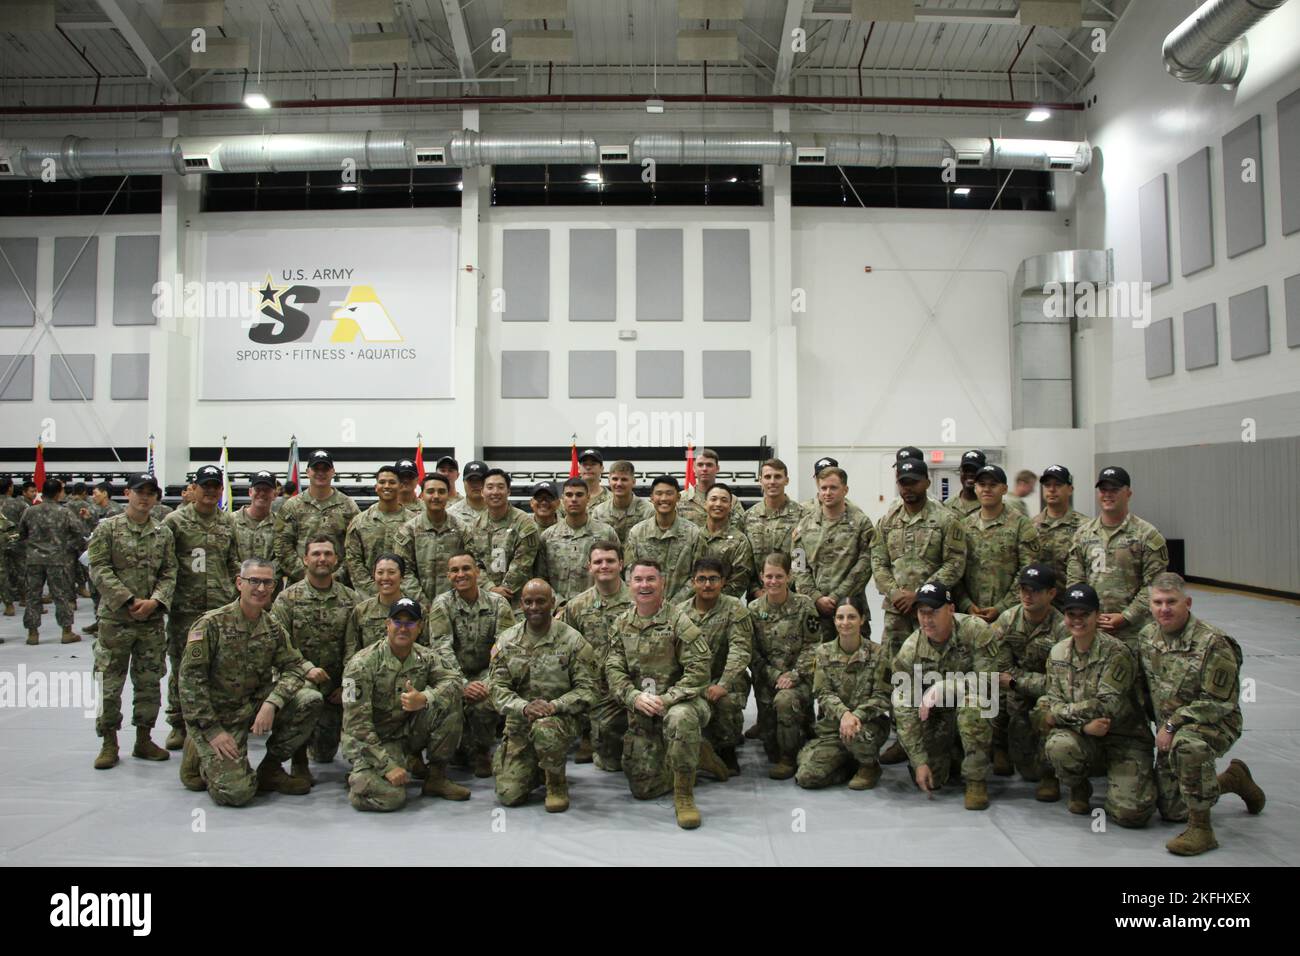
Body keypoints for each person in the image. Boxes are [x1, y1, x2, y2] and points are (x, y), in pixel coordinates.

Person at [177, 557, 325, 806]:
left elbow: (295, 666)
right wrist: (212, 731)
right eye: (254, 581)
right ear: (239, 583)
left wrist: (272, 703)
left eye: (267, 582)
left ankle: (270, 769)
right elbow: (190, 684)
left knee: (310, 698)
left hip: (254, 706)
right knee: (237, 794)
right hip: (219, 716)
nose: (260, 588)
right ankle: (197, 752)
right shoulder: (211, 624)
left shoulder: (272, 627)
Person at [1138, 572, 1265, 855]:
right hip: (1170, 731)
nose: (1164, 608)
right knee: (1172, 809)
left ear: (1188, 603)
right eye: (1157, 602)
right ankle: (1234, 780)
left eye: (1171, 601)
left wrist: (1172, 725)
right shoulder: (1147, 637)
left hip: (1215, 723)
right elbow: (1147, 690)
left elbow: (1220, 701)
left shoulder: (1214, 643)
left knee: (1188, 747)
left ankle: (1202, 830)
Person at [1037, 582, 1156, 828]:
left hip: (1125, 738)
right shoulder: (1058, 653)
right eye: (1071, 614)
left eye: (1085, 614)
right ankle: (1079, 786)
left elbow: (1107, 704)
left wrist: (1060, 714)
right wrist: (1083, 728)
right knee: (1059, 745)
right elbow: (1052, 700)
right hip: (1086, 735)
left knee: (1131, 815)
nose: (1077, 620)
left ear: (1097, 615)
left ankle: (1137, 781)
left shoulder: (1116, 653)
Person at [605, 559, 713, 829]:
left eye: (651, 579)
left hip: (681, 704)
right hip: (642, 706)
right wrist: (633, 697)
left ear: (662, 583)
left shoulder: (678, 620)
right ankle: (696, 753)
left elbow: (699, 671)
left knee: (680, 719)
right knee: (643, 789)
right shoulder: (620, 624)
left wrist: (667, 700)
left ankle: (684, 794)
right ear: (629, 584)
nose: (644, 585)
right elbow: (613, 670)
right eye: (638, 579)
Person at [341, 597, 469, 810]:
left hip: (406, 732)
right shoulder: (359, 665)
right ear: (387, 624)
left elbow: (454, 682)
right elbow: (356, 725)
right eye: (397, 622)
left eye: (410, 623)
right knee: (392, 798)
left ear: (419, 627)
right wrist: (387, 766)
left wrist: (425, 698)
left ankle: (436, 776)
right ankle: (362, 776)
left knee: (447, 702)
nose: (403, 628)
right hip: (373, 740)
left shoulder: (425, 657)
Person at [87, 472, 178, 770]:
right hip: (116, 620)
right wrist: (127, 599)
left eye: (151, 493)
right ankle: (109, 741)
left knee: (149, 681)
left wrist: (156, 601)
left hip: (150, 621)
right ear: (127, 494)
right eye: (140, 491)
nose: (145, 497)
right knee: (109, 683)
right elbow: (98, 568)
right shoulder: (108, 529)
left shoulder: (162, 533)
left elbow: (169, 572)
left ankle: (143, 738)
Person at [891, 580, 1001, 810]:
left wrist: (945, 688)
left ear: (951, 610)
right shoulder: (910, 650)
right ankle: (953, 752)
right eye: (922, 612)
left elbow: (988, 681)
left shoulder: (975, 630)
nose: (926, 619)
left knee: (976, 706)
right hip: (937, 718)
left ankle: (976, 780)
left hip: (971, 708)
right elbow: (903, 708)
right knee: (935, 778)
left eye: (933, 612)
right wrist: (919, 761)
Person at [488, 579, 595, 811]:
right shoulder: (507, 641)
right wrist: (524, 707)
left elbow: (588, 689)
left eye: (540, 601)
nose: (534, 607)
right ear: (521, 605)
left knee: (545, 729)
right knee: (509, 795)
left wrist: (555, 706)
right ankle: (537, 767)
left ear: (552, 603)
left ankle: (556, 783)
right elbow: (497, 690)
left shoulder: (573, 640)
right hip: (520, 723)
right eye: (528, 602)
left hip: (560, 721)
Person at [161, 465, 240, 750]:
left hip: (218, 609)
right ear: (194, 489)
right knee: (183, 665)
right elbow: (165, 565)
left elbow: (234, 562)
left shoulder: (228, 522)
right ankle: (178, 723)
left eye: (214, 486)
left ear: (221, 489)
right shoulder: (175, 521)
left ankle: (213, 721)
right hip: (185, 608)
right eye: (204, 485)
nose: (209, 491)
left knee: (218, 666)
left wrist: (236, 596)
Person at [269, 536, 360, 782]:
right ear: (305, 559)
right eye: (317, 554)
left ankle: (364, 761)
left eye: (328, 554)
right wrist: (305, 670)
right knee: (305, 698)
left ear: (337, 560)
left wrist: (346, 684)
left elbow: (355, 648)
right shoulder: (287, 599)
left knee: (323, 754)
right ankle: (297, 759)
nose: (322, 559)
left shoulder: (351, 599)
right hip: (299, 680)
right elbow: (280, 646)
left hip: (336, 685)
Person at [426, 551, 516, 777]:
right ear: (448, 576)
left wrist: (486, 682)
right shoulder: (442, 605)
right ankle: (451, 751)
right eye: (455, 570)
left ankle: (481, 751)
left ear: (477, 572)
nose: (461, 574)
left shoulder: (498, 604)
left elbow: (504, 649)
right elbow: (441, 649)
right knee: (444, 699)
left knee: (484, 702)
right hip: (453, 674)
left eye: (466, 568)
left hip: (488, 673)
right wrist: (463, 683)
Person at [795, 595, 892, 790]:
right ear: (834, 620)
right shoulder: (823, 652)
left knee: (856, 735)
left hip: (867, 726)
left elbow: (882, 696)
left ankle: (868, 766)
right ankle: (848, 764)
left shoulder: (879, 653)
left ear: (862, 619)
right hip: (834, 727)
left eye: (851, 617)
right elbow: (822, 693)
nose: (845, 623)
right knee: (806, 777)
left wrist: (855, 716)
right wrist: (844, 714)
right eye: (840, 618)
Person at [1066, 466, 1168, 645]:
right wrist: (1085, 613)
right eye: (1103, 489)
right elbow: (1075, 580)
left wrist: (1126, 616)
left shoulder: (1147, 535)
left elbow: (1154, 586)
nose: (1108, 494)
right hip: (1091, 628)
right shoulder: (1083, 534)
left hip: (1134, 632)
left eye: (1115, 489)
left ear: (1128, 493)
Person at [991, 563, 1069, 795]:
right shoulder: (1007, 619)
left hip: (1046, 695)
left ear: (1051, 594)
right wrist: (1012, 683)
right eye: (1024, 589)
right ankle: (998, 748)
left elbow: (1059, 683)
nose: (1027, 595)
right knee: (985, 690)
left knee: (1047, 708)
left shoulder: (1062, 628)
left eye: (1035, 590)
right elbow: (1000, 666)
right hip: (1013, 693)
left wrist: (1018, 682)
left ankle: (1050, 775)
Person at [677, 557, 752, 779]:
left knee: (725, 701)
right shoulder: (680, 613)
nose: (707, 585)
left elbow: (740, 650)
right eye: (701, 579)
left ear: (723, 582)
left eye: (713, 579)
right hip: (691, 680)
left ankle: (727, 751)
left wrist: (723, 684)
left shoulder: (734, 609)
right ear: (693, 582)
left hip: (724, 678)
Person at [748, 552, 821, 776]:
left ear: (789, 576)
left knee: (786, 701)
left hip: (797, 681)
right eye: (769, 576)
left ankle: (789, 759)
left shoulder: (804, 606)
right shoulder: (753, 610)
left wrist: (794, 675)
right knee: (771, 748)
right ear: (761, 577)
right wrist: (774, 675)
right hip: (768, 682)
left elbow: (814, 646)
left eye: (779, 576)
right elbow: (752, 652)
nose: (773, 582)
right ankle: (794, 732)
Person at [562, 540, 633, 770]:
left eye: (610, 561)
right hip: (596, 689)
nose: (604, 566)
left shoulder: (640, 600)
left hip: (634, 684)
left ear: (621, 564)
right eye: (598, 561)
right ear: (589, 567)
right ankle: (591, 734)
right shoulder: (576, 606)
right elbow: (566, 652)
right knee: (610, 764)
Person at [790, 466, 875, 642]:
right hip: (814, 610)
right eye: (823, 488)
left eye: (833, 488)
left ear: (845, 490)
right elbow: (798, 565)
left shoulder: (861, 523)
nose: (827, 493)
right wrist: (816, 597)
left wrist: (837, 597)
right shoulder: (805, 525)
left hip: (850, 608)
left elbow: (866, 563)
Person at [955, 464, 1040, 627]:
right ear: (975, 488)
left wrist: (1002, 607)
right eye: (982, 485)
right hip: (970, 618)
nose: (987, 489)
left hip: (1011, 617)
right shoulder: (964, 526)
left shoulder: (1021, 525)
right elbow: (956, 568)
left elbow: (1027, 572)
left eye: (993, 485)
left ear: (1004, 489)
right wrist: (966, 604)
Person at [274, 450, 360, 586]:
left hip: (340, 586)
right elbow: (282, 546)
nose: (321, 473)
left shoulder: (348, 506)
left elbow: (355, 547)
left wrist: (337, 576)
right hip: (300, 585)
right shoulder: (292, 506)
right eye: (316, 468)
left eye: (325, 469)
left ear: (333, 472)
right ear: (308, 472)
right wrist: (306, 575)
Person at [19, 477, 86, 645]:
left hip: (34, 559)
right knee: (61, 596)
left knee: (33, 596)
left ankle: (32, 634)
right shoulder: (64, 512)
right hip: (57, 559)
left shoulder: (30, 511)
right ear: (58, 493)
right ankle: (66, 632)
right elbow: (79, 532)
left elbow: (22, 533)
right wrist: (67, 546)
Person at [462, 468, 539, 608]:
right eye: (490, 487)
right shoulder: (475, 526)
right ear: (482, 492)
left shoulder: (524, 523)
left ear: (508, 492)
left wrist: (502, 591)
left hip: (517, 601)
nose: (495, 492)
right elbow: (473, 562)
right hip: (483, 599)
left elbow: (522, 564)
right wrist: (490, 588)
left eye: (500, 487)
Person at [623, 475, 705, 604]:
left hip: (683, 610)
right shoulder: (637, 533)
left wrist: (672, 605)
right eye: (659, 494)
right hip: (645, 607)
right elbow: (630, 573)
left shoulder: (693, 533)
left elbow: (698, 575)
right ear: (651, 498)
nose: (664, 498)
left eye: (669, 493)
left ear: (678, 497)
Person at [536, 478, 615, 605]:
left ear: (588, 498)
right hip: (558, 611)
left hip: (596, 608)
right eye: (569, 495)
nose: (573, 499)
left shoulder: (606, 533)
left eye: (579, 495)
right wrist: (559, 605)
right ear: (562, 499)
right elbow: (541, 578)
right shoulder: (548, 537)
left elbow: (616, 574)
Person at [394, 473, 469, 606]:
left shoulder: (462, 529)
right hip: (418, 608)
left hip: (457, 606)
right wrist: (423, 603)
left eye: (441, 492)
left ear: (448, 495)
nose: (436, 496)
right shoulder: (408, 530)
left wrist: (451, 602)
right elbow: (404, 572)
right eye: (430, 492)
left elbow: (471, 568)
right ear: (422, 495)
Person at [742, 458, 804, 598]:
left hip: (792, 597)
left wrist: (785, 589)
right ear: (760, 480)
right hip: (757, 598)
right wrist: (756, 591)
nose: (772, 481)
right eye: (767, 477)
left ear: (786, 480)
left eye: (778, 476)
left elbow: (802, 558)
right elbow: (745, 562)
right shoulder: (748, 518)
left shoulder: (803, 516)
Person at [344, 465, 410, 597]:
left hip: (406, 597)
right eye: (382, 482)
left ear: (401, 486)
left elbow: (415, 562)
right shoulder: (360, 522)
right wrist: (373, 591)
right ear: (376, 487)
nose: (387, 486)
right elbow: (354, 561)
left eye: (392, 482)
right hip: (369, 598)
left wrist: (403, 591)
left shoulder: (413, 523)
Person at [1032, 464, 1085, 607]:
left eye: (1058, 485)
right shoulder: (1031, 526)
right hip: (1040, 605)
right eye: (1047, 485)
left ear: (1070, 489)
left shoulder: (1085, 527)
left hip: (1073, 605)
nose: (1052, 489)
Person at [697, 483, 754, 599]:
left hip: (725, 607)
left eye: (724, 500)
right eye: (713, 499)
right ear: (705, 504)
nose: (718, 504)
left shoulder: (740, 541)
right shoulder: (694, 536)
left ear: (730, 506)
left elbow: (740, 581)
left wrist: (714, 600)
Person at [677, 448, 743, 530]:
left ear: (717, 468)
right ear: (694, 469)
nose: (704, 469)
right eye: (700, 465)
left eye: (709, 465)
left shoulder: (732, 500)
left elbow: (738, 529)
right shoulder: (680, 499)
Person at [591, 459, 653, 545]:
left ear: (633, 482)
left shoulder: (648, 511)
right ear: (609, 481)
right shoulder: (599, 512)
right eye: (615, 479)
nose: (619, 483)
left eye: (624, 479)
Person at [232, 471, 277, 570]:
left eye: (267, 490)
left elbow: (282, 557)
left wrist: (264, 575)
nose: (262, 493)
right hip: (237, 582)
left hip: (270, 582)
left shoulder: (281, 524)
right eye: (258, 489)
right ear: (250, 492)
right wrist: (246, 576)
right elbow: (228, 556)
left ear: (275, 494)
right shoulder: (231, 521)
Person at [942, 449, 986, 518]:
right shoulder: (947, 505)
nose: (970, 474)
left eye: (975, 470)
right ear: (960, 472)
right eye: (966, 470)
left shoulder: (990, 504)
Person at [447, 459, 488, 524]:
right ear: (464, 482)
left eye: (479, 480)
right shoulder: (450, 514)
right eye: (470, 480)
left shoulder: (497, 511)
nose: (475, 485)